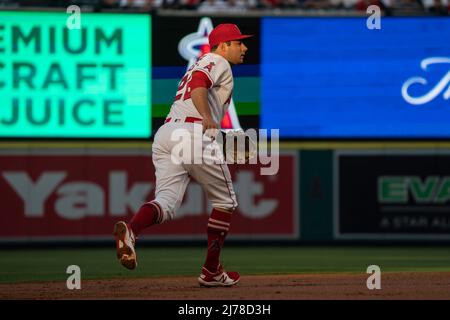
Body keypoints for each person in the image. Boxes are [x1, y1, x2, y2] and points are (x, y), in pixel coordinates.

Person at [113, 24, 252, 287]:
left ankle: (132, 230)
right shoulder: (217, 60)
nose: (244, 47)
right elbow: (200, 85)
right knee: (226, 201)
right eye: (238, 42)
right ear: (223, 46)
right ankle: (211, 270)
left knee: (165, 203)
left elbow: (197, 83)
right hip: (191, 131)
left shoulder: (202, 63)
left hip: (166, 133)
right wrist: (207, 118)